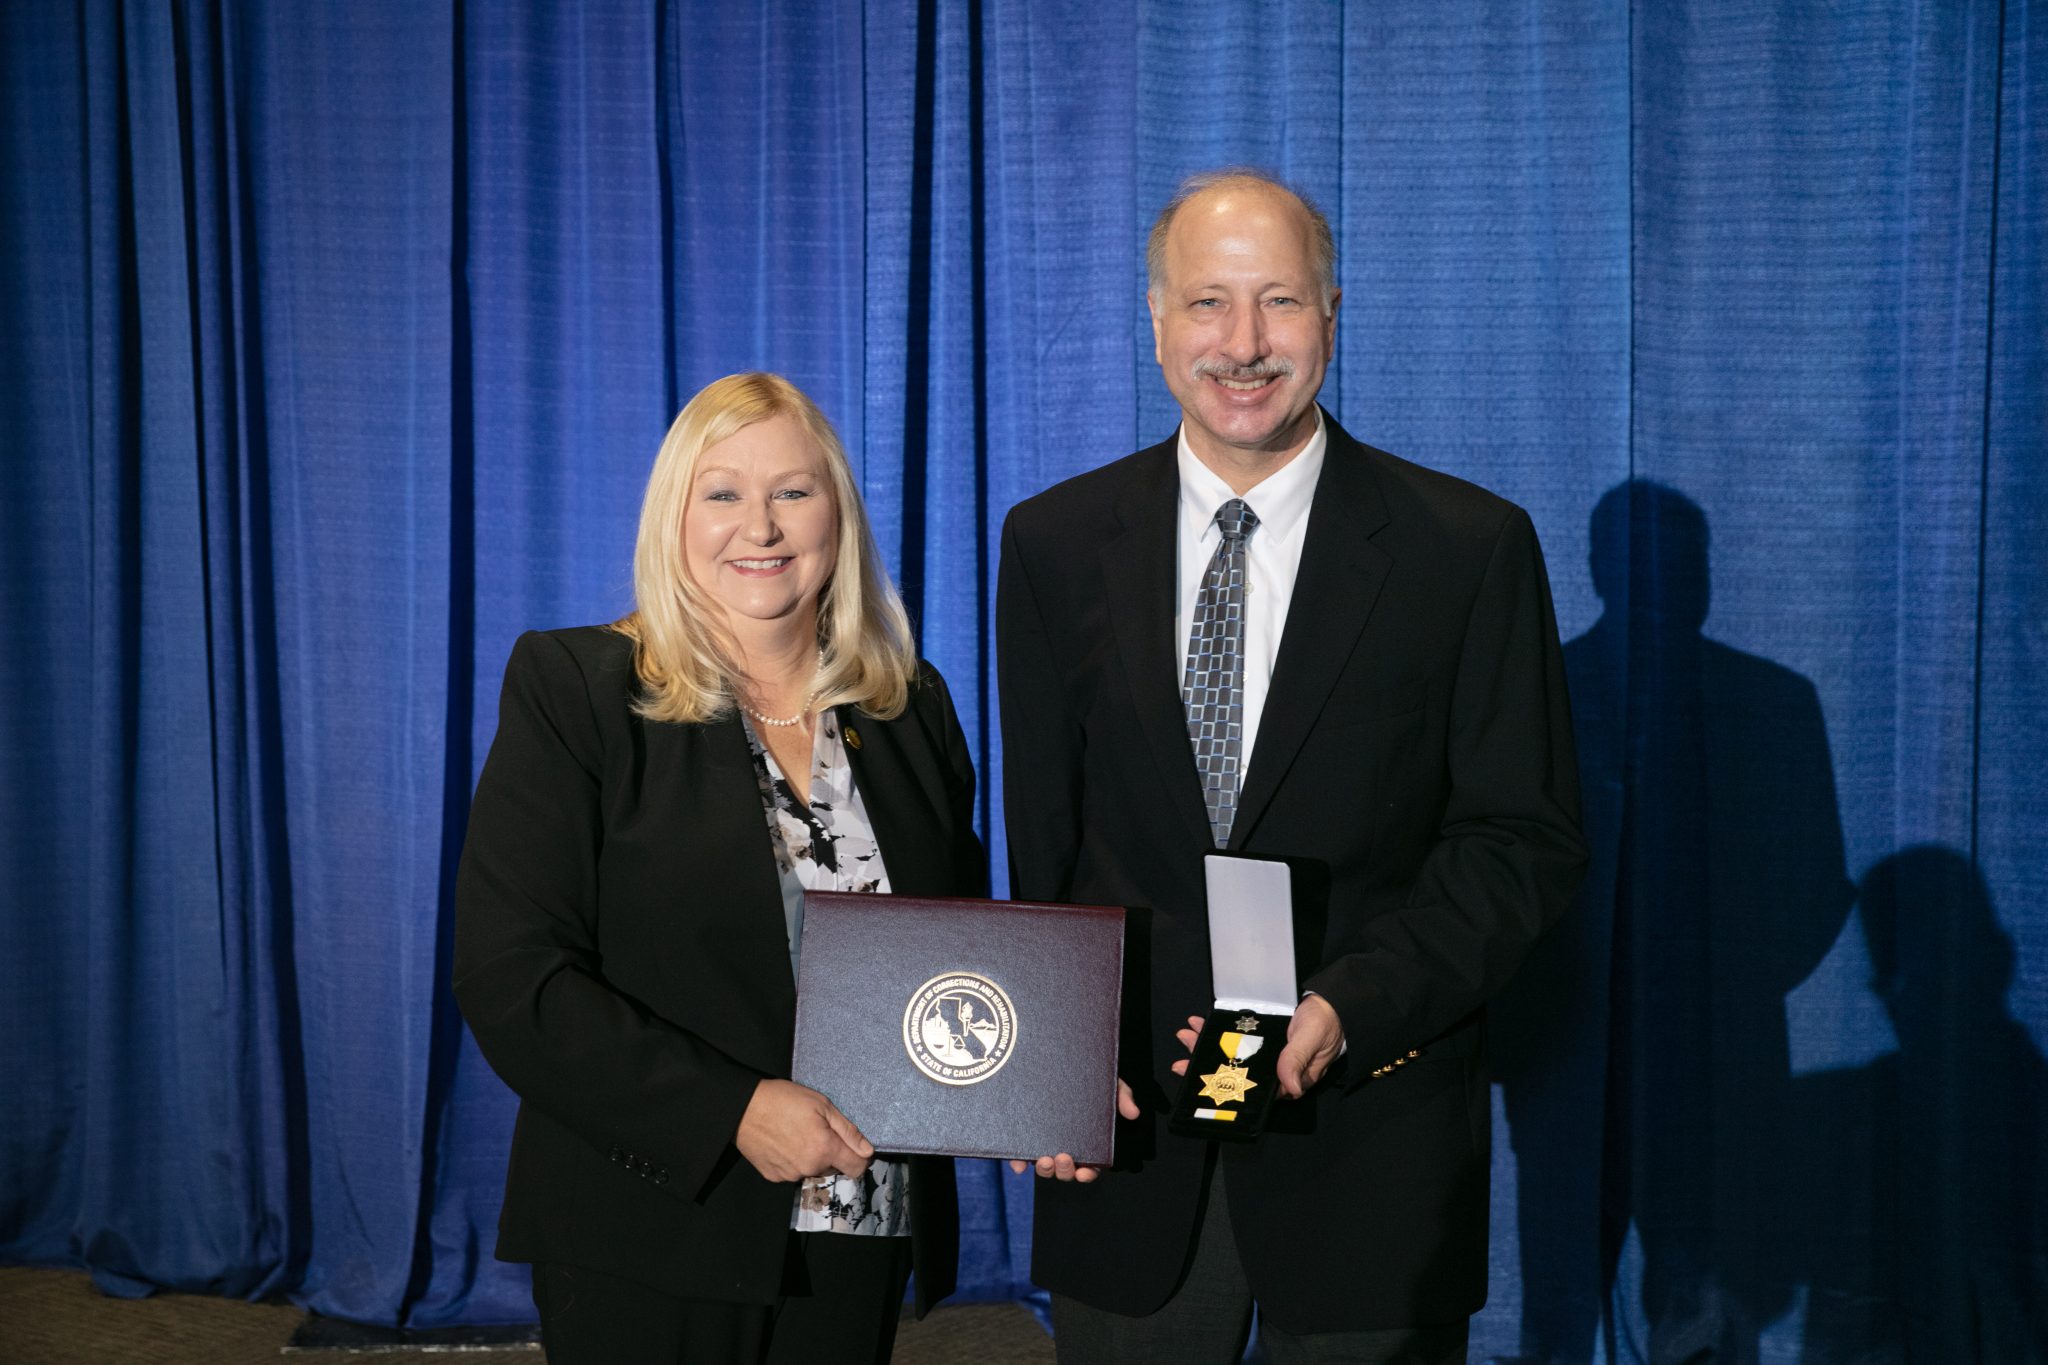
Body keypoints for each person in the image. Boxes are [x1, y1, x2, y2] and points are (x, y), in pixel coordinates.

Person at [997, 169, 1586, 1363]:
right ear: (1155, 327)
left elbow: (1519, 844)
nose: (1244, 343)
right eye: (1208, 303)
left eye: (1279, 302)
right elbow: (1045, 840)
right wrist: (1045, 1068)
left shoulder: (1465, 549)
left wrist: (1347, 1009)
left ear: (1331, 317)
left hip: (1369, 1131)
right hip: (1133, 1140)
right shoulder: (1052, 542)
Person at [455, 372, 985, 1365]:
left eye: (793, 491)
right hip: (657, 1219)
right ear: (675, 517)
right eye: (723, 493)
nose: (763, 526)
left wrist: (1039, 1082)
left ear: (837, 513)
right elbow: (512, 977)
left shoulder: (909, 708)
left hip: (859, 1214)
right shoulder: (576, 690)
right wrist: (730, 1111)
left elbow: (958, 956)